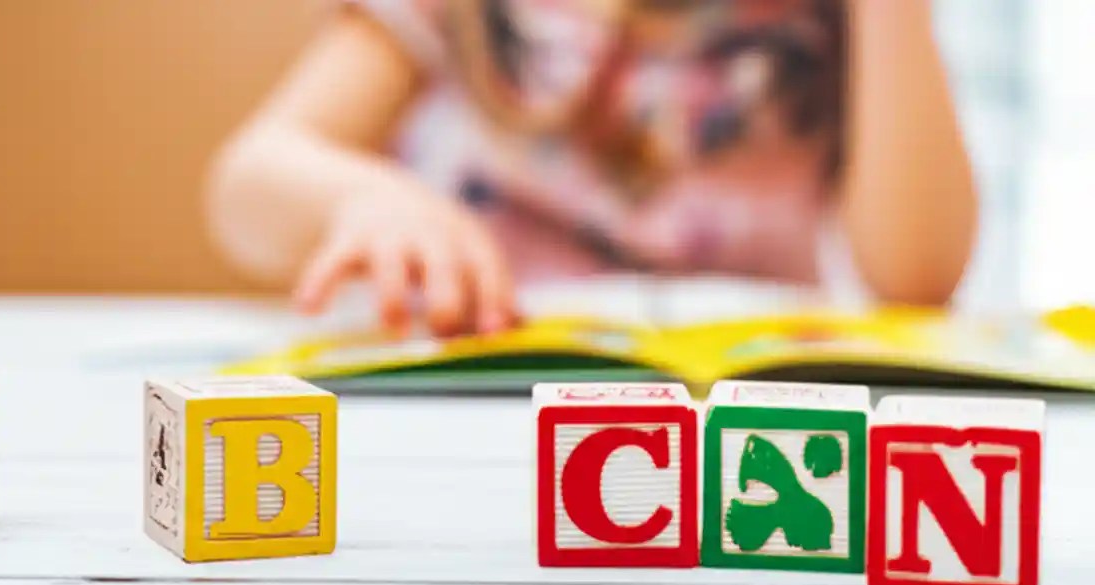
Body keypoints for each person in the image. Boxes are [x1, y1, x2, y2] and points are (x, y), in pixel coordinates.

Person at [208, 0, 977, 337]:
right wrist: (362, 198)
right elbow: (248, 184)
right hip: (483, 417)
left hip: (745, 440)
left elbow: (918, 278)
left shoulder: (824, 18)